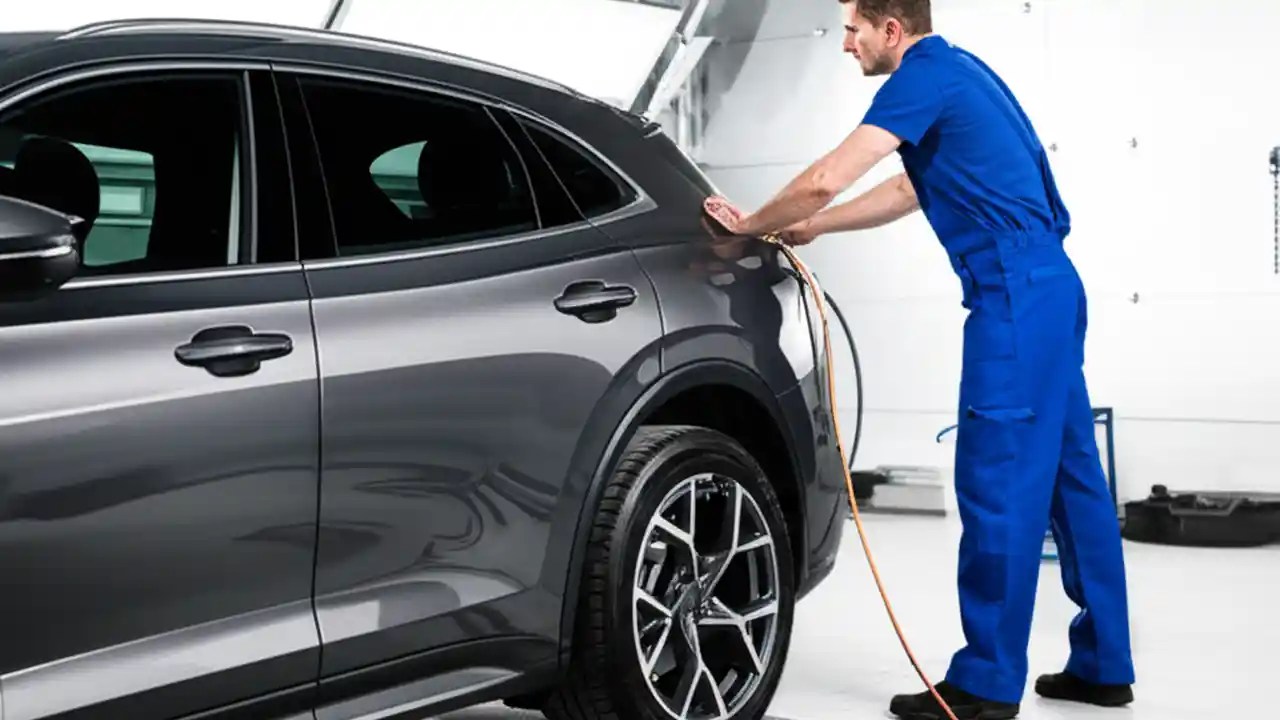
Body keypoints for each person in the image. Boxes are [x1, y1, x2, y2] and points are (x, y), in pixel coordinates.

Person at [702, 1, 1136, 718]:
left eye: (853, 30)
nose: (845, 44)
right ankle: (1103, 664)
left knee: (997, 481)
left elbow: (824, 176)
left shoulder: (916, 82)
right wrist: (811, 228)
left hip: (1013, 299)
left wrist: (753, 226)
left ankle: (987, 685)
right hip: (1051, 289)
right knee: (1071, 481)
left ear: (891, 30)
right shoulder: (963, 74)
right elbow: (907, 187)